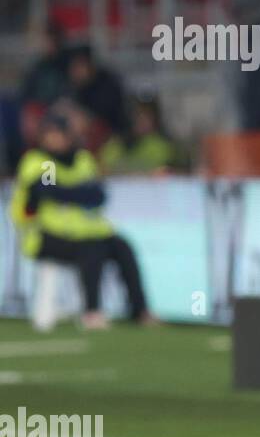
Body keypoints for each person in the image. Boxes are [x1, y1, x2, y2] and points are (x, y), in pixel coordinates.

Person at [9, 108, 154, 328]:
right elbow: (48, 190)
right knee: (91, 250)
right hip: (43, 236)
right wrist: (77, 192)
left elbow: (97, 194)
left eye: (58, 133)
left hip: (86, 232)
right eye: (49, 134)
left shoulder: (82, 159)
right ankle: (92, 311)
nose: (54, 139)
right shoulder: (41, 161)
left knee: (123, 247)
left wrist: (70, 192)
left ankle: (139, 310)